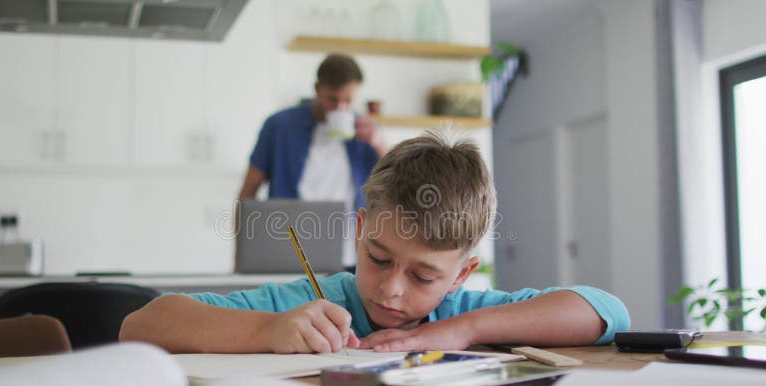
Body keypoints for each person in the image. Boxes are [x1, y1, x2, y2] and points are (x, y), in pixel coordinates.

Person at [120, 131, 630, 354]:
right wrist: (270, 329)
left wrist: (464, 330)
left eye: (424, 276)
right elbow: (142, 326)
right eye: (378, 258)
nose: (390, 289)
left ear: (461, 275)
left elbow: (606, 313)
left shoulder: (462, 310)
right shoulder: (313, 303)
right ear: (359, 231)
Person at [238, 53, 387, 210]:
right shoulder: (279, 126)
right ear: (317, 89)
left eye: (348, 100)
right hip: (289, 230)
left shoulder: (367, 133)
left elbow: (393, 187)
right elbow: (249, 189)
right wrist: (241, 233)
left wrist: (379, 144)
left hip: (348, 231)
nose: (340, 108)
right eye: (332, 99)